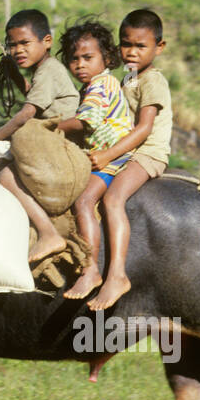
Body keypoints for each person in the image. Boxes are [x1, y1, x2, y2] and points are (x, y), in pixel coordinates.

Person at [0, 9, 78, 264]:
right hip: (48, 137)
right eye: (12, 45)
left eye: (25, 43)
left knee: (5, 173)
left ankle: (48, 233)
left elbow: (27, 113)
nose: (18, 50)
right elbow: (34, 96)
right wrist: (16, 78)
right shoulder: (45, 71)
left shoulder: (49, 71)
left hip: (56, 141)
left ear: (47, 42)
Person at [85, 8, 173, 313]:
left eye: (140, 46)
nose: (131, 52)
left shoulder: (153, 81)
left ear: (158, 48)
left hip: (147, 153)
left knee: (112, 199)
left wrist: (108, 154)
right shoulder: (128, 79)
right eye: (126, 44)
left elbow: (144, 128)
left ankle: (117, 275)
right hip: (126, 151)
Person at [55, 21, 135, 317]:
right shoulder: (91, 86)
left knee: (83, 200)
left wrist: (48, 127)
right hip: (102, 154)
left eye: (87, 58)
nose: (80, 65)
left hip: (112, 158)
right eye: (74, 59)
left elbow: (85, 121)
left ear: (106, 59)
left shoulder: (102, 85)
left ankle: (90, 269)